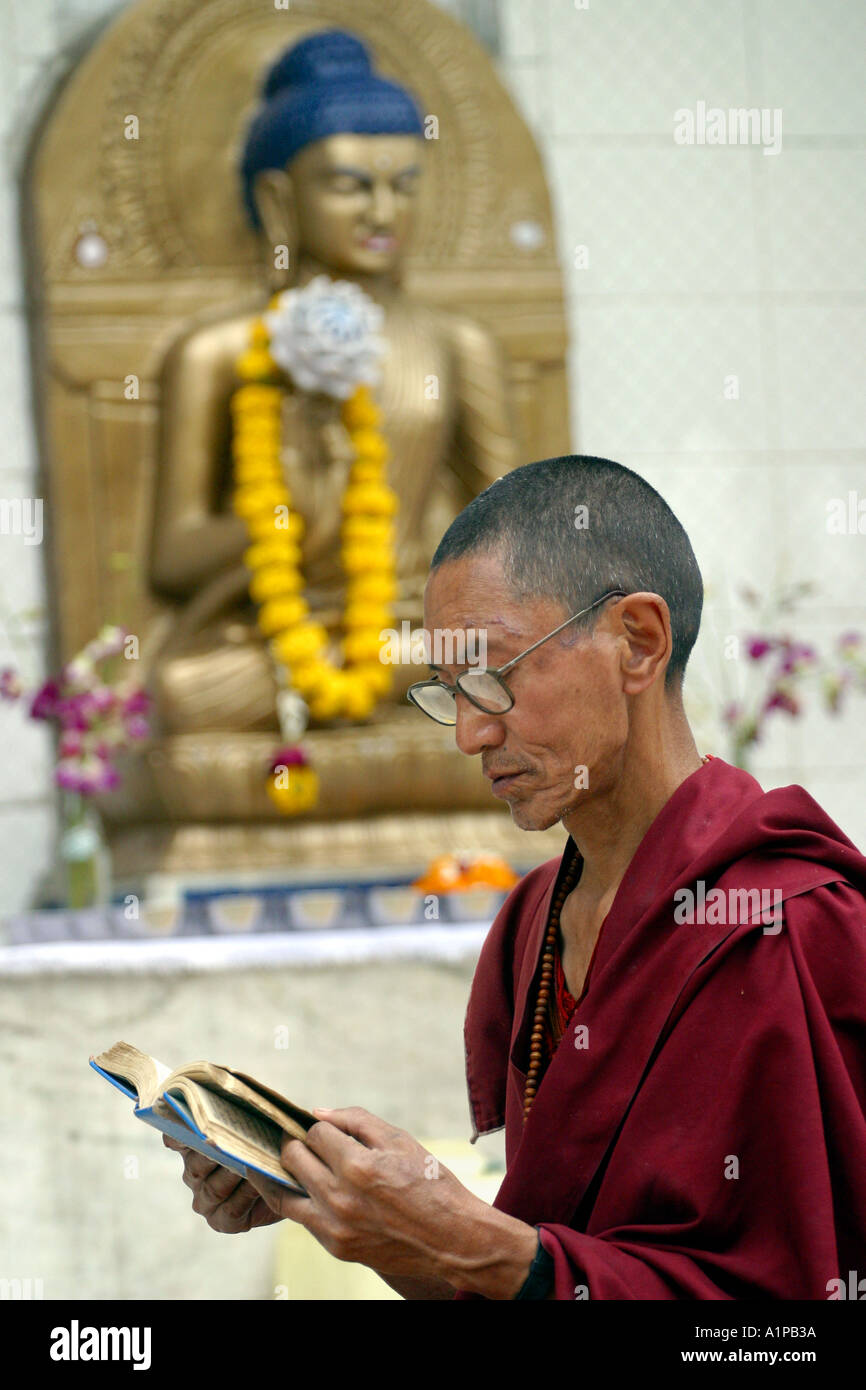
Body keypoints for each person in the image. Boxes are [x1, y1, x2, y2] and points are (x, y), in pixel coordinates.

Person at [165, 455, 866, 1300]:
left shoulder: (792, 926)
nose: (467, 736)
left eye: (492, 679)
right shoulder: (534, 919)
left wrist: (480, 1248)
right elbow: (549, 1266)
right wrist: (365, 1212)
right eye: (447, 692)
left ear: (637, 642)